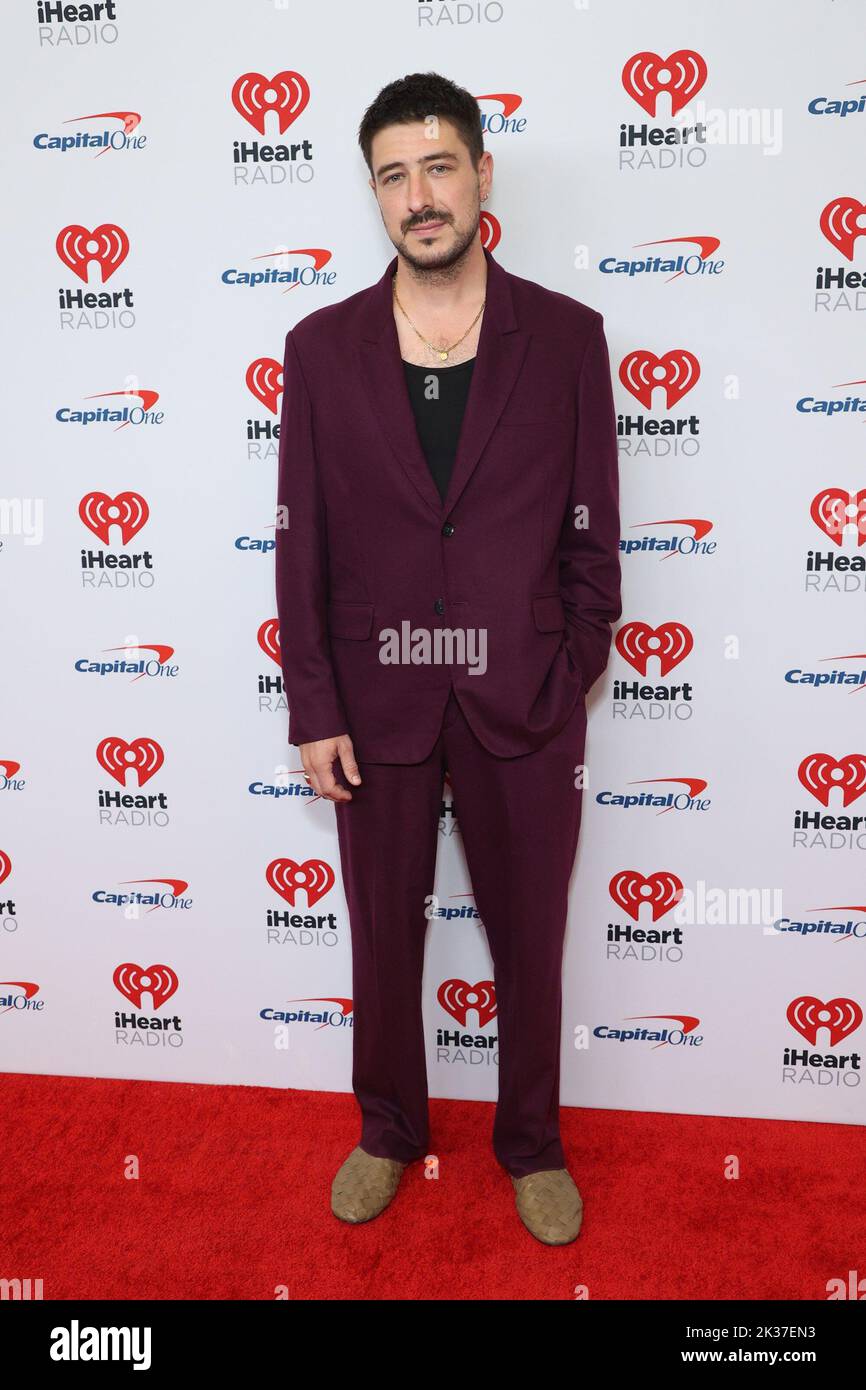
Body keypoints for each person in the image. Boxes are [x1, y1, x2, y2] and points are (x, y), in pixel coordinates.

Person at [275, 71, 621, 1245]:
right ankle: (388, 1129)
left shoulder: (568, 339)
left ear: (481, 173)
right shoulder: (318, 352)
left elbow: (594, 543)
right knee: (381, 933)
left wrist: (557, 669)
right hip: (373, 711)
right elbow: (302, 548)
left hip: (522, 703)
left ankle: (529, 1143)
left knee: (531, 942)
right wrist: (315, 705)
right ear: (371, 192)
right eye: (390, 175)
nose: (417, 196)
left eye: (436, 167)